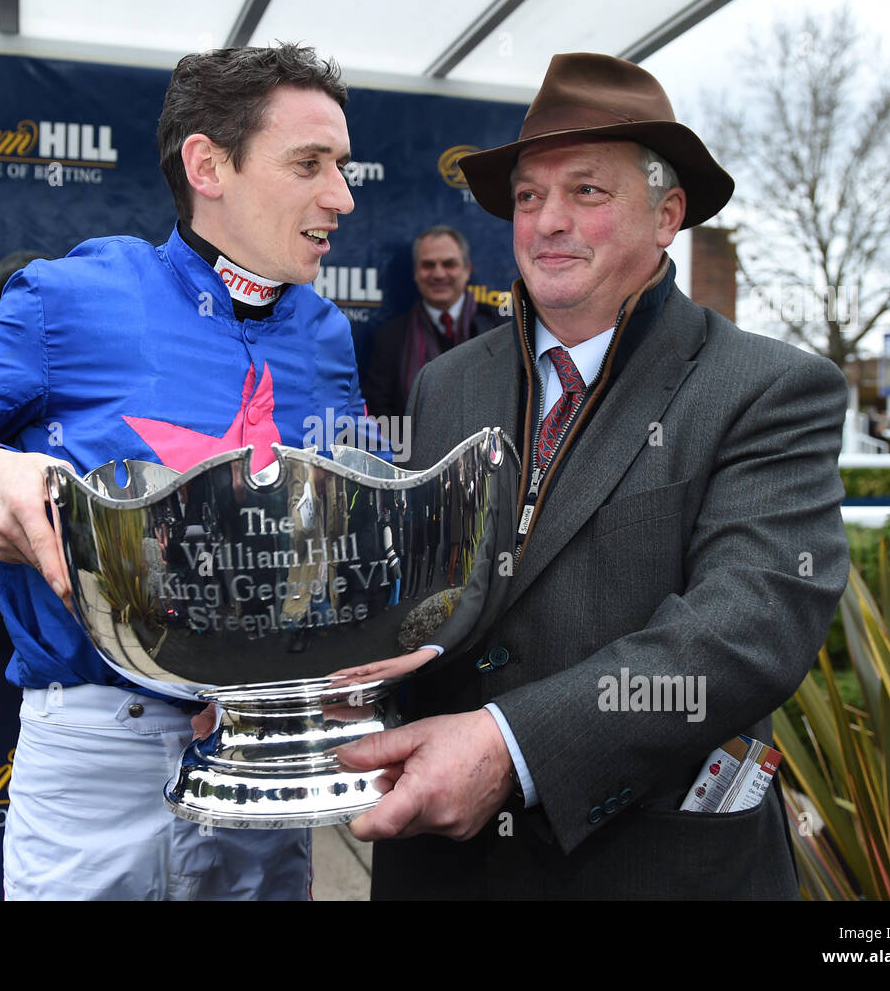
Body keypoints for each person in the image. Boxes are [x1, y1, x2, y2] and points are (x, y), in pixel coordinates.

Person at [0, 44, 369, 899]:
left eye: (341, 166)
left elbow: (343, 539)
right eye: (309, 164)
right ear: (208, 165)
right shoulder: (72, 298)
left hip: (265, 765)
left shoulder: (327, 332)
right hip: (99, 759)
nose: (341, 196)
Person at [335, 53, 850, 900]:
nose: (547, 222)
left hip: (648, 866)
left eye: (587, 192)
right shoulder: (447, 383)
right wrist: (323, 685)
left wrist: (512, 746)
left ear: (667, 215)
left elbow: (747, 627)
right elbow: (418, 594)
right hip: (439, 867)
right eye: (529, 197)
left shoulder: (767, 388)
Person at [362, 226, 504, 421]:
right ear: (416, 273)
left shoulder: (500, 327)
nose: (438, 274)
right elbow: (380, 413)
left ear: (467, 270)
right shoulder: (389, 337)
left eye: (449, 264)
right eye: (428, 265)